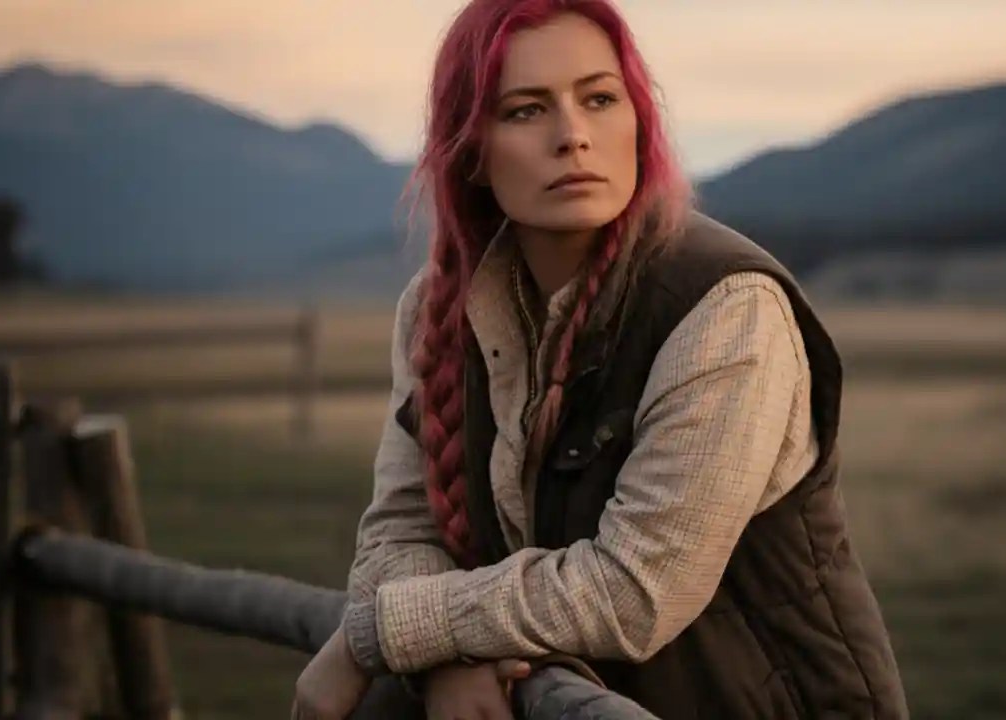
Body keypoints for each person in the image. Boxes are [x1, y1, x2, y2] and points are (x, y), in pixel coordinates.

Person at [292, 0, 908, 717]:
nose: (574, 136)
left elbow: (634, 590)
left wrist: (383, 633)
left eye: (600, 99)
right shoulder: (434, 308)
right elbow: (402, 527)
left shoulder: (725, 307)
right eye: (526, 110)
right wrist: (446, 660)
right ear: (472, 153)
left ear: (639, 120)